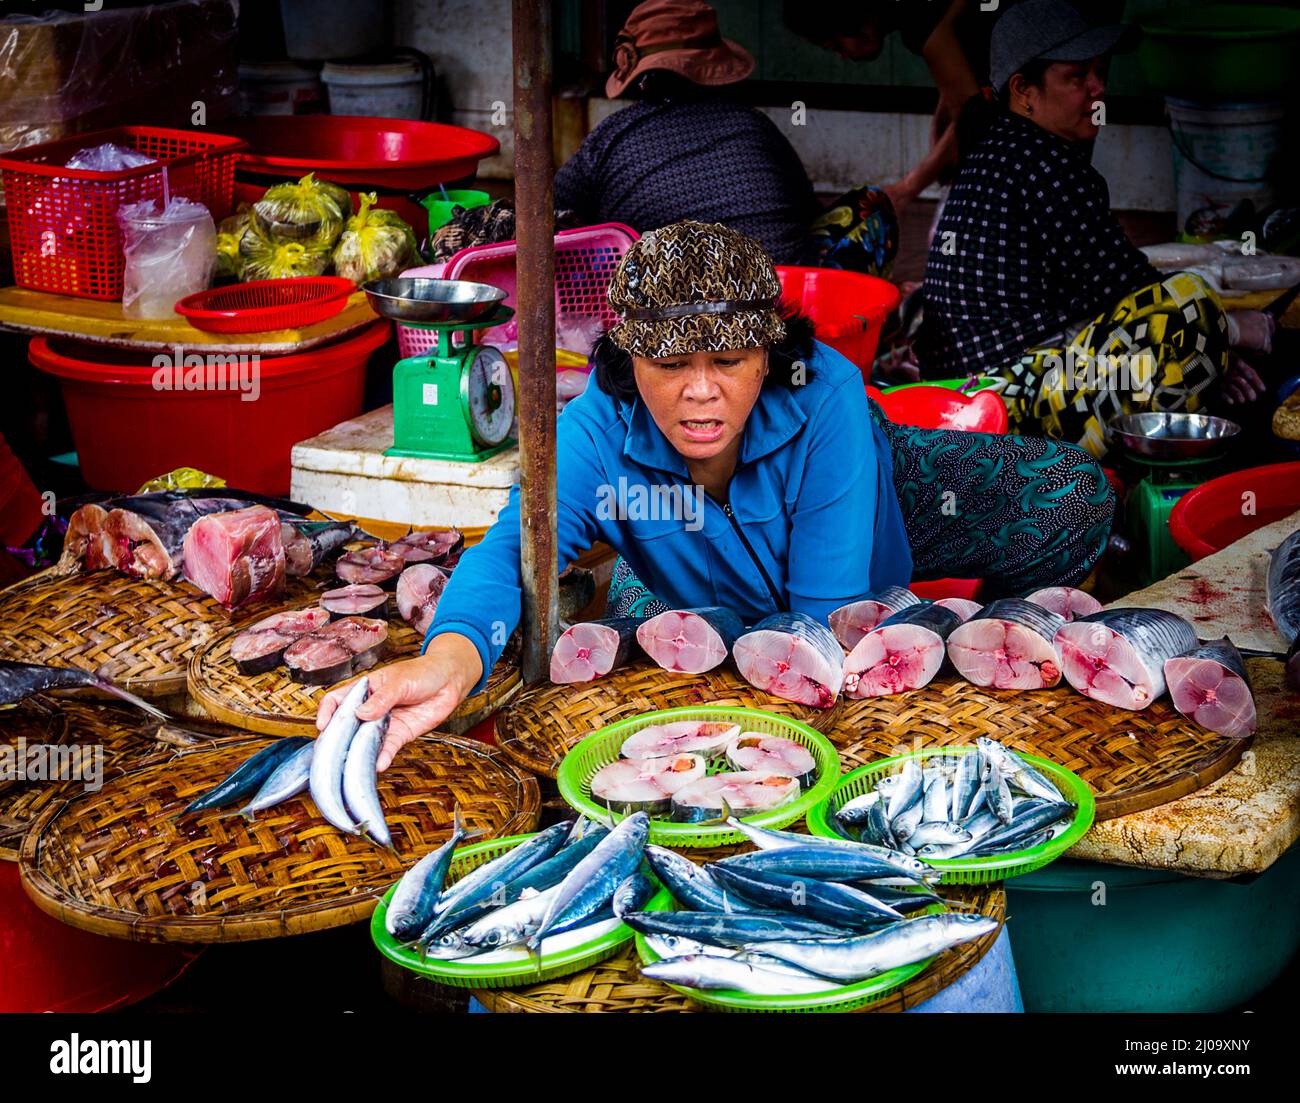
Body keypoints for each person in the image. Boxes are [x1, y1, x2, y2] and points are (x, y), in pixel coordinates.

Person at [316, 220, 1114, 769]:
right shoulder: (594, 431)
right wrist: (449, 664)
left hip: (878, 504)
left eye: (728, 362)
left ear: (770, 353)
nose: (702, 396)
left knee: (1076, 493)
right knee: (640, 656)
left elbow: (823, 623)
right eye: (671, 367)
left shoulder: (822, 392)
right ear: (629, 364)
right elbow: (513, 553)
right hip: (688, 569)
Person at [915, 0, 1272, 458]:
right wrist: (1224, 336)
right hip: (1006, 406)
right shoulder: (1044, 163)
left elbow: (1110, 282)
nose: (1097, 89)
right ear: (1024, 90)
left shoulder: (1002, 148)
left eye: (1100, 72)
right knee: (1190, 304)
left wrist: (1215, 348)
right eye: (1077, 77)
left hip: (967, 395)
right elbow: (1134, 293)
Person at [553, 0, 820, 265]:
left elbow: (546, 210)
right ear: (715, 67)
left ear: (640, 79)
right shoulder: (755, 125)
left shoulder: (611, 136)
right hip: (782, 294)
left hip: (660, 300)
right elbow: (808, 210)